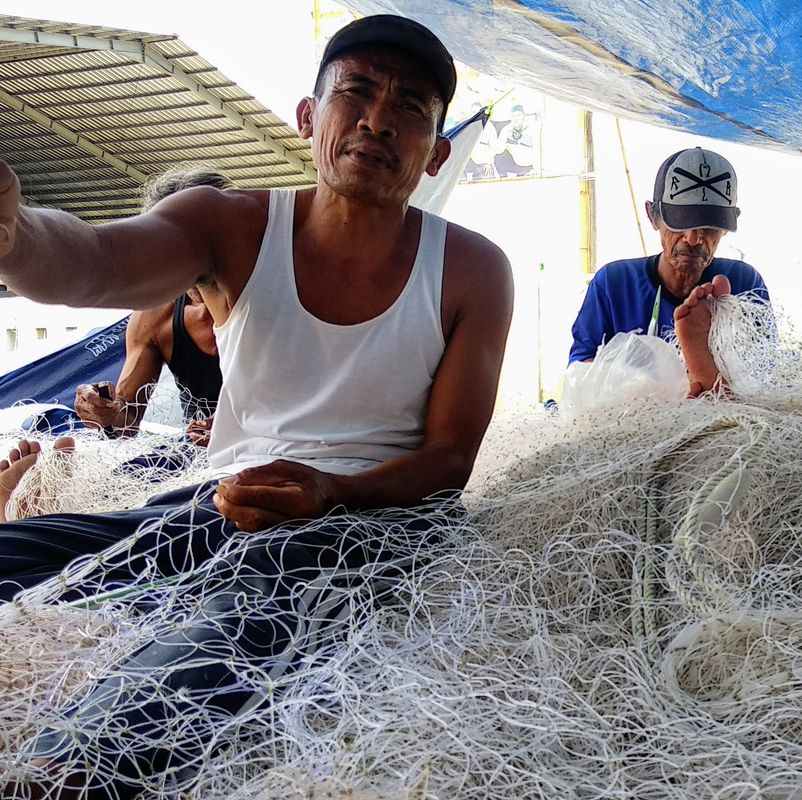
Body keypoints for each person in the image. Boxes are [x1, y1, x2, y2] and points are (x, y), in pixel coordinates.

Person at [0, 13, 513, 799]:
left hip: (373, 523)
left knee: (252, 609)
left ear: (436, 151)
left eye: (411, 106)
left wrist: (332, 491)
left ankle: (67, 769)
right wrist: (16, 237)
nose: (378, 119)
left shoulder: (474, 269)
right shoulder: (230, 227)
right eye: (358, 91)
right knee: (58, 551)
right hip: (224, 500)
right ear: (310, 117)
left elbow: (449, 463)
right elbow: (96, 262)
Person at [568, 147, 769, 394]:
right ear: (653, 216)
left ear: (726, 227)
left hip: (724, 422)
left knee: (750, 394)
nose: (694, 238)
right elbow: (579, 373)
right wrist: (651, 384)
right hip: (636, 420)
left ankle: (714, 382)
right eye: (680, 223)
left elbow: (765, 373)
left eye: (709, 227)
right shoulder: (613, 284)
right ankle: (696, 380)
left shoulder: (744, 283)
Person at [75, 165, 230, 442]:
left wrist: (240, 423)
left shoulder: (275, 300)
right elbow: (127, 420)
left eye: (203, 245)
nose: (192, 264)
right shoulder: (155, 316)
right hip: (198, 463)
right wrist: (104, 412)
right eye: (177, 250)